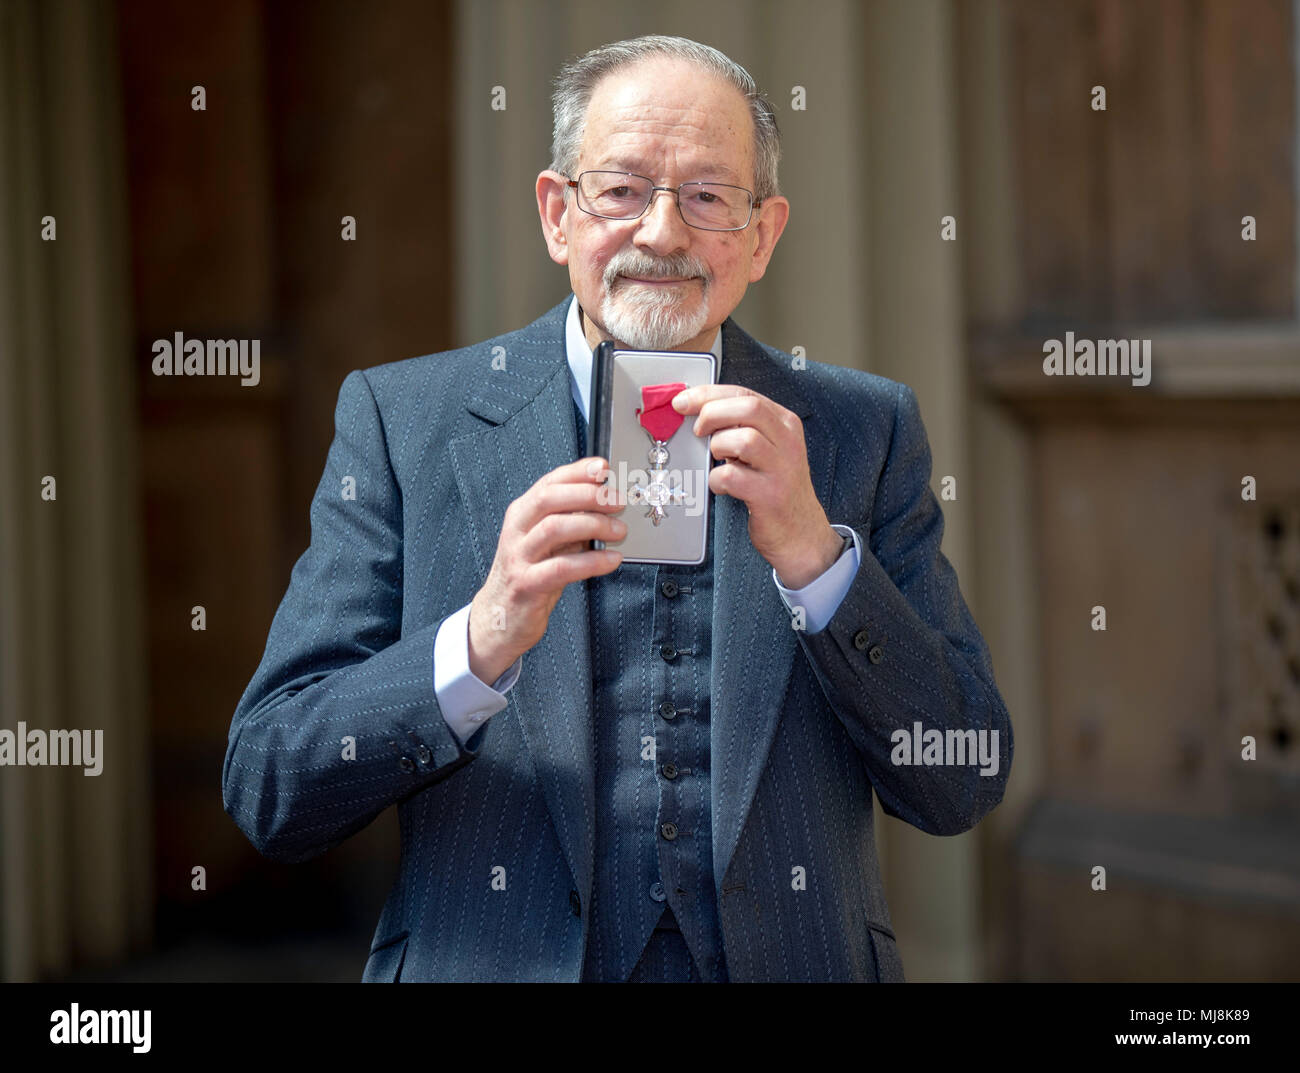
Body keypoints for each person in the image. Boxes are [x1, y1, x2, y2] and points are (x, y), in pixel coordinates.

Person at [222, 33, 1013, 983]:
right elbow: (270, 785)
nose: (664, 233)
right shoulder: (403, 423)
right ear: (558, 214)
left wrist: (820, 561)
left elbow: (960, 778)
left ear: (762, 236)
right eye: (622, 190)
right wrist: (479, 637)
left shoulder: (861, 430)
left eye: (709, 197)